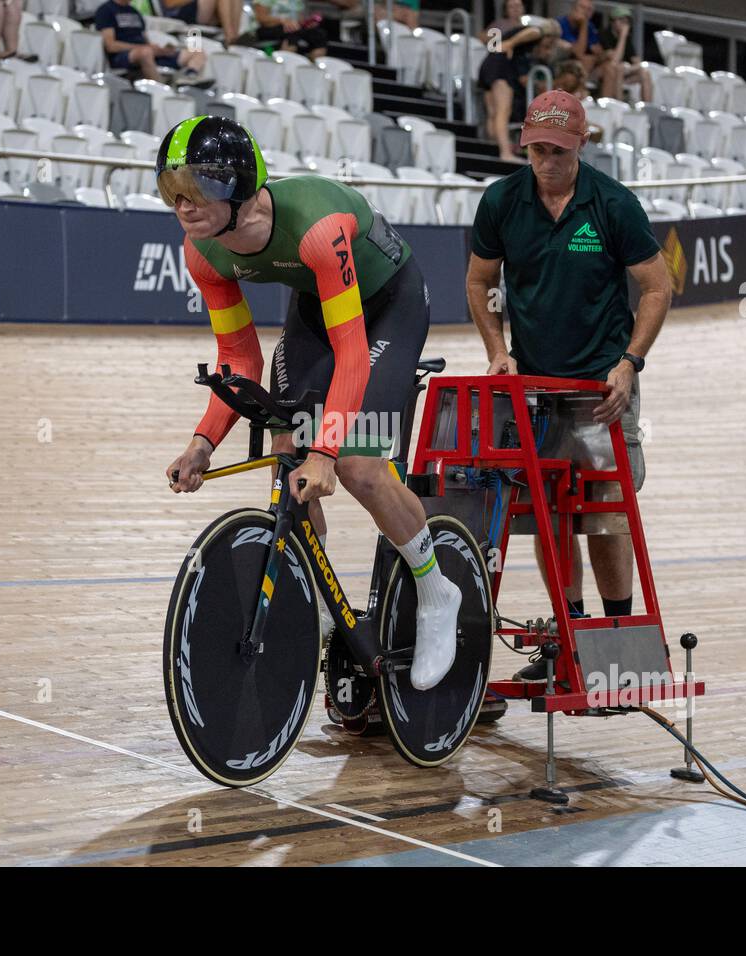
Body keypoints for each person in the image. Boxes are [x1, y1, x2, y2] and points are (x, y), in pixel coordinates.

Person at [160, 116, 462, 691]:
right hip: (317, 309)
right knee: (286, 453)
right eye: (173, 190)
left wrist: (327, 449)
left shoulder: (317, 228)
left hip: (388, 306)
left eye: (198, 188)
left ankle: (435, 590)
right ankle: (320, 607)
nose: (185, 205)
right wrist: (202, 444)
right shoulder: (202, 253)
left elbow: (353, 357)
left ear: (240, 187)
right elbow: (238, 360)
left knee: (355, 466)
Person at [464, 90, 672, 682]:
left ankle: (612, 646)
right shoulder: (502, 201)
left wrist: (630, 361)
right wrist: (497, 351)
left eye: (557, 150)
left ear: (581, 145)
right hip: (537, 389)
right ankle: (568, 639)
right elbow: (479, 282)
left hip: (603, 387)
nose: (545, 161)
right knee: (550, 516)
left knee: (606, 514)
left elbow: (657, 287)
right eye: (536, 149)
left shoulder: (612, 203)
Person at [477, 0, 538, 162]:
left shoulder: (525, 23)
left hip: (492, 66)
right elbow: (490, 43)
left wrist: (510, 43)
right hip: (498, 65)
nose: (516, 9)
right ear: (506, 10)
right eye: (512, 6)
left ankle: (494, 149)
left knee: (494, 112)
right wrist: (509, 42)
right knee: (503, 110)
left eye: (519, 5)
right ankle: (505, 152)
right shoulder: (500, 25)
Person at [96, 0, 209, 85]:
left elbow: (144, 38)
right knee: (145, 52)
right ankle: (161, 88)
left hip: (145, 51)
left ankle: (188, 78)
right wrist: (145, 47)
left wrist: (159, 50)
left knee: (196, 50)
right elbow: (110, 45)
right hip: (123, 56)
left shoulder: (134, 12)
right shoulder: (106, 10)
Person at [600, 4, 652, 103]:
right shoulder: (605, 35)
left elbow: (636, 61)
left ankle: (647, 106)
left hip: (623, 73)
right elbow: (615, 60)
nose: (625, 25)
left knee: (645, 73)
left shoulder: (627, 40)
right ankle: (619, 103)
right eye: (622, 21)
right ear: (614, 21)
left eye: (626, 22)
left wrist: (629, 68)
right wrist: (623, 36)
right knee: (618, 67)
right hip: (607, 72)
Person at [250, 1, 328, 60]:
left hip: (292, 29)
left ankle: (312, 67)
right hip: (268, 29)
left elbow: (299, 20)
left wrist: (307, 23)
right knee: (292, 34)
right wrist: (282, 21)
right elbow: (261, 18)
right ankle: (284, 64)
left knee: (319, 34)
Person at [157, 0, 244, 46]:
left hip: (204, 13)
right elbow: (169, 4)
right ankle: (230, 39)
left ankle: (235, 38)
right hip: (178, 14)